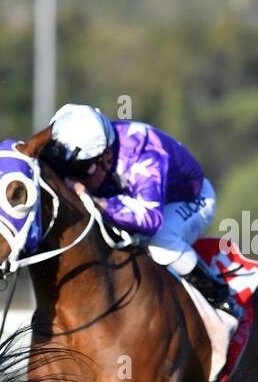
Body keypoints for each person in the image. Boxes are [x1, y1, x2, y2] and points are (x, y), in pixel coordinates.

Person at [44, 103, 232, 311]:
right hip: (133, 198)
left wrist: (97, 202)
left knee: (160, 242)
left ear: (106, 157)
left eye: (80, 171)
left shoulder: (144, 157)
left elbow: (151, 220)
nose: (73, 179)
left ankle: (220, 299)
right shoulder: (91, 148)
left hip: (190, 200)